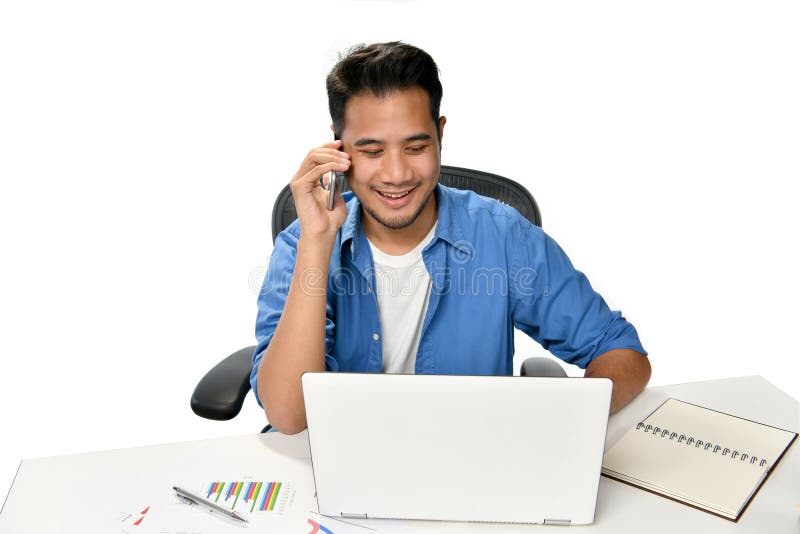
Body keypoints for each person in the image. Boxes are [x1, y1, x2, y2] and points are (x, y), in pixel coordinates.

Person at [251, 41, 650, 434]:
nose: (396, 174)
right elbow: (288, 416)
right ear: (339, 148)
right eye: (371, 151)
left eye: (415, 146)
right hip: (330, 470)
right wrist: (317, 243)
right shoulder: (301, 244)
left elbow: (621, 351)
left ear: (440, 134)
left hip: (468, 471)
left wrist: (563, 428)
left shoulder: (501, 233)